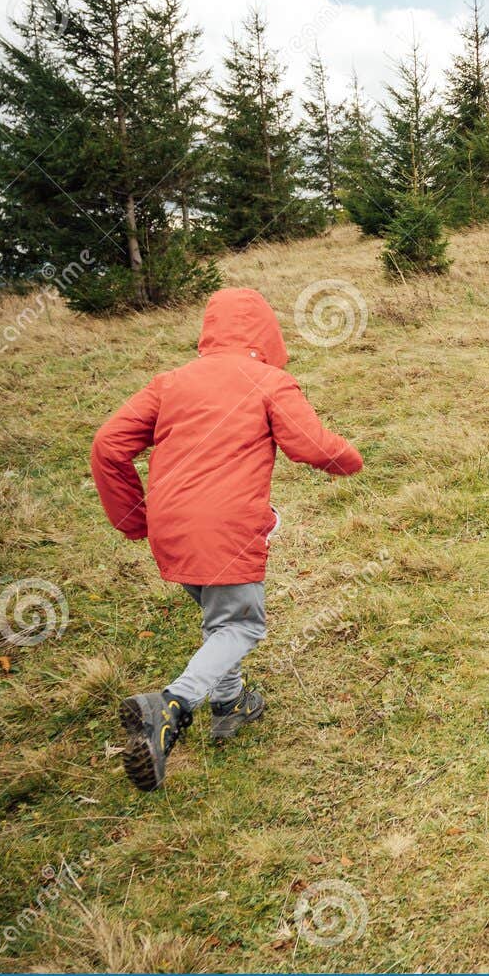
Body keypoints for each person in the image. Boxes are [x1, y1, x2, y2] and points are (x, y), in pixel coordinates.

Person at [91, 287, 363, 791]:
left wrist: (134, 518)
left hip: (169, 527)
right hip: (227, 528)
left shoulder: (169, 383)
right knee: (242, 626)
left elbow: (108, 445)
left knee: (221, 619)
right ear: (267, 333)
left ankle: (230, 703)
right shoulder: (267, 380)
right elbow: (313, 446)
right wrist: (350, 460)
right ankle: (171, 704)